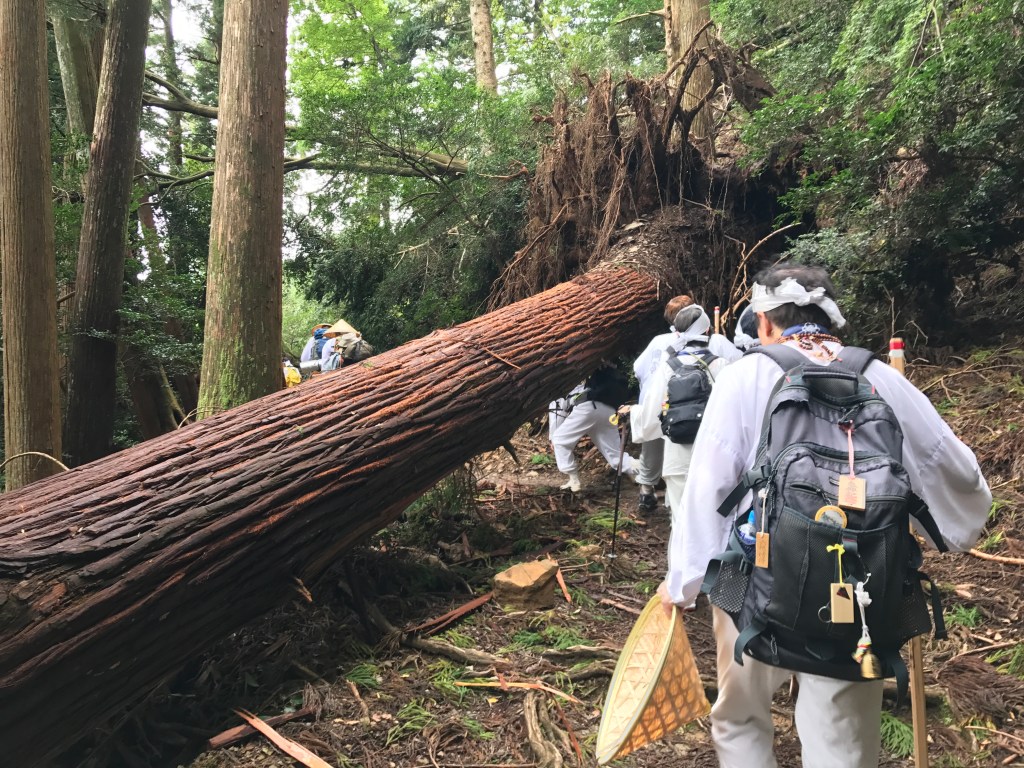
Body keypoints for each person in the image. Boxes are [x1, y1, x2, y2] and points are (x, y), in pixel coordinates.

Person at [660, 263, 991, 767]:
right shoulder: (878, 376)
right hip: (856, 587)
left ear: (765, 321)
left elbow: (710, 486)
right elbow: (960, 479)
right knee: (841, 743)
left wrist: (684, 582)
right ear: (832, 321)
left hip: (750, 583)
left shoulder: (744, 376)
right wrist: (944, 527)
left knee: (741, 718)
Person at [629, 303, 729, 541]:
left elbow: (652, 413)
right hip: (714, 454)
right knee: (712, 518)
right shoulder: (722, 365)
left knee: (680, 518)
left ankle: (680, 574)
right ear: (707, 332)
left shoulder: (668, 366)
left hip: (677, 454)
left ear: (678, 333)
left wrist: (633, 412)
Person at [549, 364, 636, 493]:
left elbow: (557, 412)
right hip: (609, 410)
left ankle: (574, 481)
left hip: (588, 409)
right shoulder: (584, 382)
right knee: (616, 454)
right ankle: (647, 472)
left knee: (559, 440)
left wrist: (552, 437)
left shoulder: (560, 390)